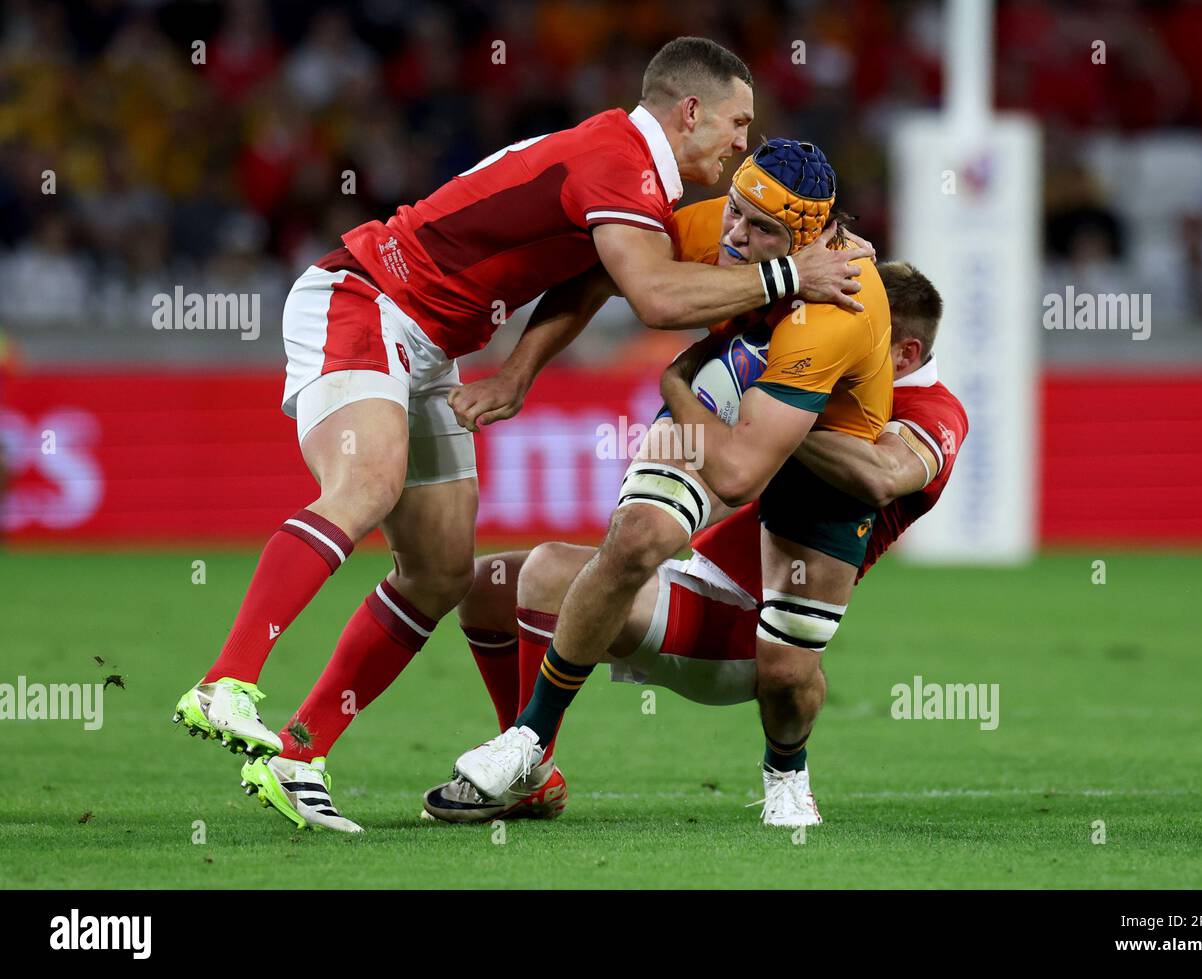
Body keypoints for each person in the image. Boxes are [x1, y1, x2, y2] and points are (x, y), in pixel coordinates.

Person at [172, 36, 872, 834]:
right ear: (691, 111)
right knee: (365, 485)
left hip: (432, 344)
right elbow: (648, 293)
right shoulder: (624, 161)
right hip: (366, 297)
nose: (745, 141)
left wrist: (517, 373)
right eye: (738, 122)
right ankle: (225, 679)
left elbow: (592, 279)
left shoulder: (639, 179)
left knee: (441, 573)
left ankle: (299, 749)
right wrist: (790, 275)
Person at [451, 137, 898, 826]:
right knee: (637, 536)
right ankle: (529, 737)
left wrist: (673, 383)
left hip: (820, 462)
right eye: (737, 212)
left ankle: (786, 769)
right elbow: (600, 274)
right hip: (726, 388)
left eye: (761, 230)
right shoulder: (719, 220)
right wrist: (518, 371)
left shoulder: (837, 309)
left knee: (783, 674)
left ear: (808, 242)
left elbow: (742, 470)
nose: (735, 234)